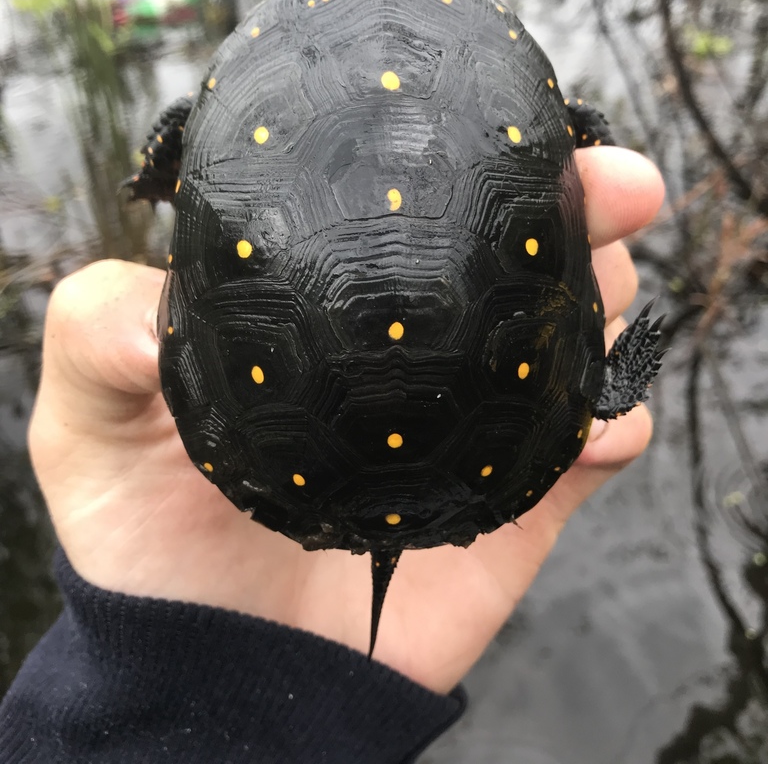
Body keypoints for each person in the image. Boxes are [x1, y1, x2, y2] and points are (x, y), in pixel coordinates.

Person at [0, 146, 664, 764]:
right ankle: (601, 388)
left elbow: (191, 140)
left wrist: (175, 690)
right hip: (475, 464)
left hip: (294, 468)